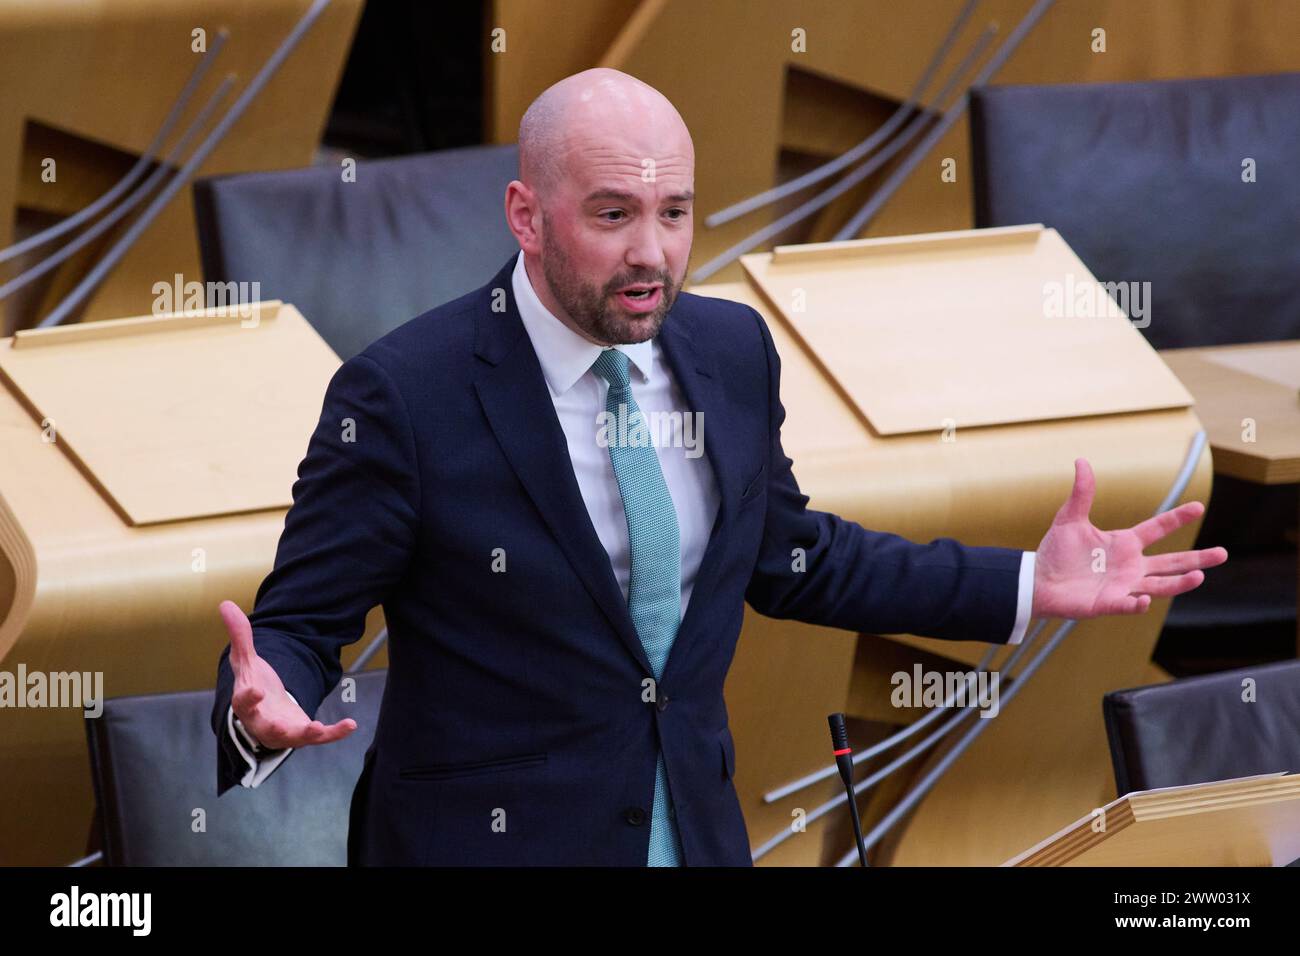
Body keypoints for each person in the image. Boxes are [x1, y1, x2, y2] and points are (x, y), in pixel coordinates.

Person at [211, 67, 1228, 866]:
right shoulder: (404, 396)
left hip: (688, 832)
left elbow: (792, 556)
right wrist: (260, 700)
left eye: (676, 213)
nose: (652, 252)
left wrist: (1022, 582)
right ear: (526, 216)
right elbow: (299, 624)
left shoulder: (728, 353)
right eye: (613, 215)